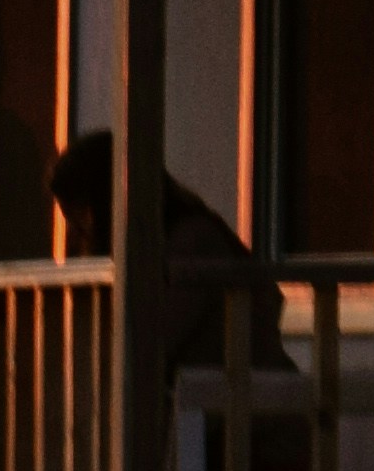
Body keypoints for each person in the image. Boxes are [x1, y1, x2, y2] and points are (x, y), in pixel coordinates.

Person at [46, 131, 285, 370]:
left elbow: (150, 345)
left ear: (109, 200)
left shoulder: (191, 246)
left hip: (238, 388)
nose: (76, 234)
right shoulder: (165, 246)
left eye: (81, 216)